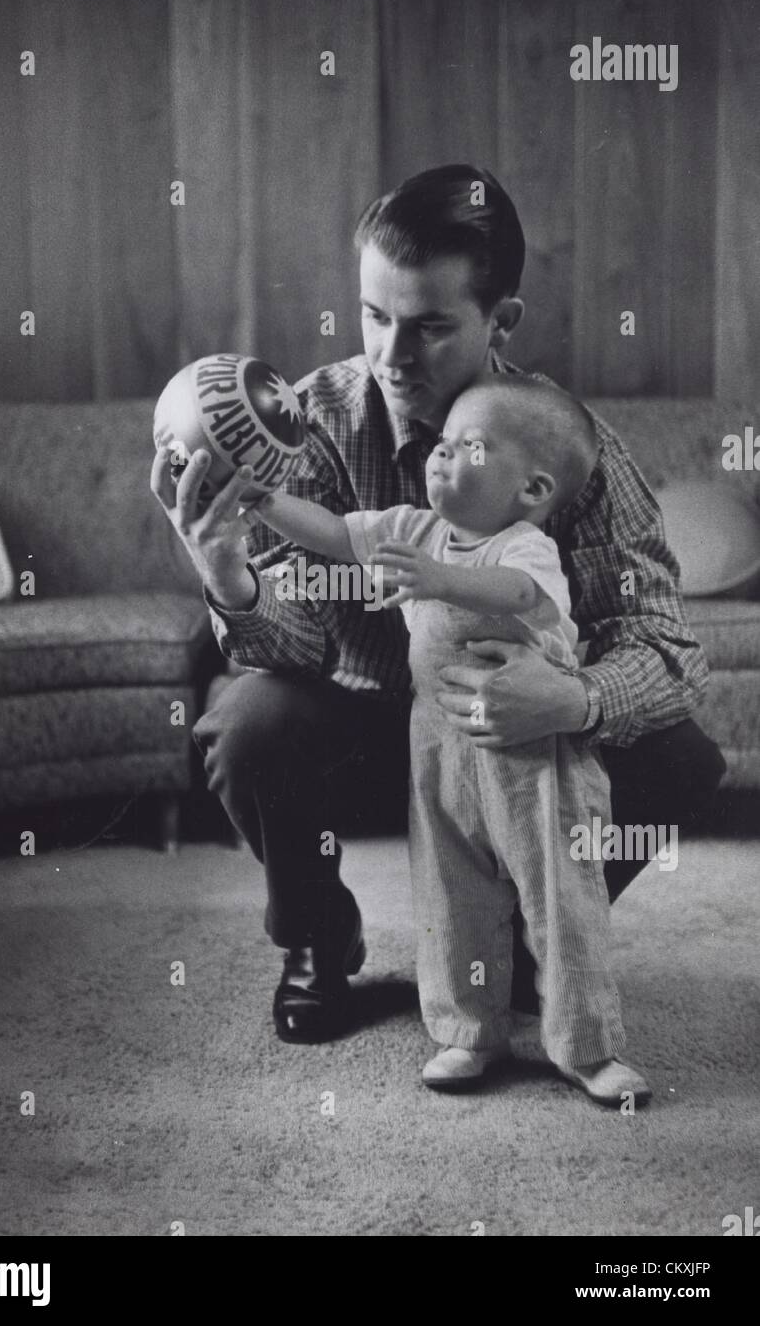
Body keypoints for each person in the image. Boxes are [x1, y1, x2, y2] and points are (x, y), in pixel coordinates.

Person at [150, 163, 725, 1046]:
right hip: (365, 724)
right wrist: (230, 576)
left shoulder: (566, 446)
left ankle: (537, 933)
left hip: (511, 739)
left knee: (678, 756)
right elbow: (296, 649)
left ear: (502, 322)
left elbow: (664, 646)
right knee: (246, 726)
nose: (390, 356)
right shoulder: (312, 425)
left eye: (428, 327)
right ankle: (315, 936)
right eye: (374, 317)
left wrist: (574, 699)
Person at [253, 374, 651, 1106]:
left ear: (529, 490)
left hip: (535, 763)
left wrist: (438, 579)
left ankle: (587, 1047)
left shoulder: (524, 547)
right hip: (439, 748)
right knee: (449, 895)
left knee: (562, 900)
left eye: (468, 448)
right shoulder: (412, 529)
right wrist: (264, 503)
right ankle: (468, 1031)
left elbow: (521, 598)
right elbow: (337, 534)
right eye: (441, 444)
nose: (439, 458)